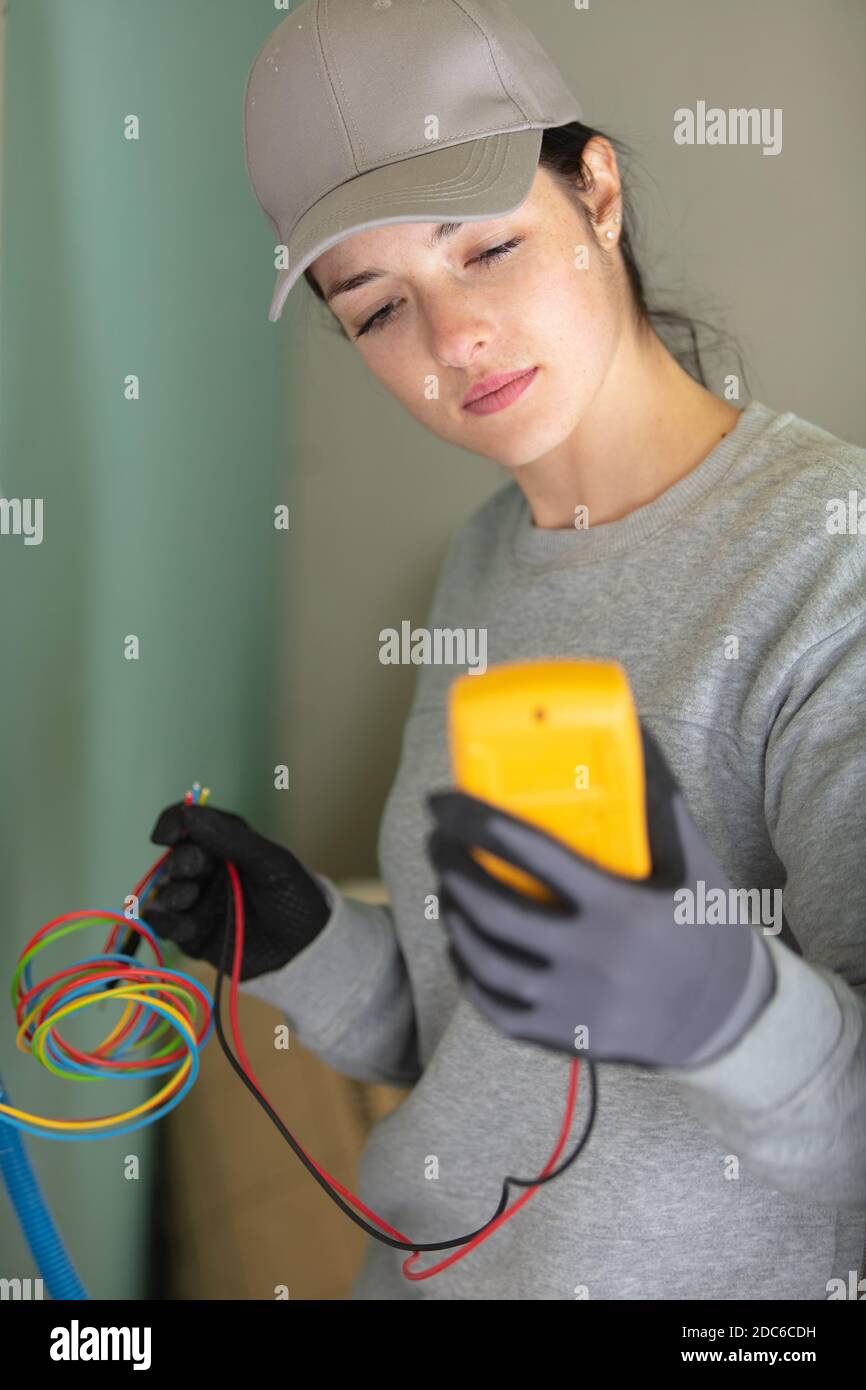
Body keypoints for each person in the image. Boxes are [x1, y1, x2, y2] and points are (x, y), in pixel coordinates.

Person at [146, 0, 866, 1299]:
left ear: (594, 190)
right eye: (375, 311)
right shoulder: (482, 563)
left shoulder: (830, 561)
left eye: (484, 247)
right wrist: (306, 943)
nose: (450, 339)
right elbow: (480, 1049)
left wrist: (727, 1009)